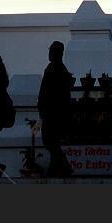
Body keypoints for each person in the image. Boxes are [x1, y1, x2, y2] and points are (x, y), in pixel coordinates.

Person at [37, 40, 75, 177]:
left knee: (49, 141)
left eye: (52, 51)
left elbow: (51, 92)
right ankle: (54, 170)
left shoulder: (55, 69)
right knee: (52, 141)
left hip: (52, 112)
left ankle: (64, 165)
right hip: (53, 111)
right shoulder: (57, 68)